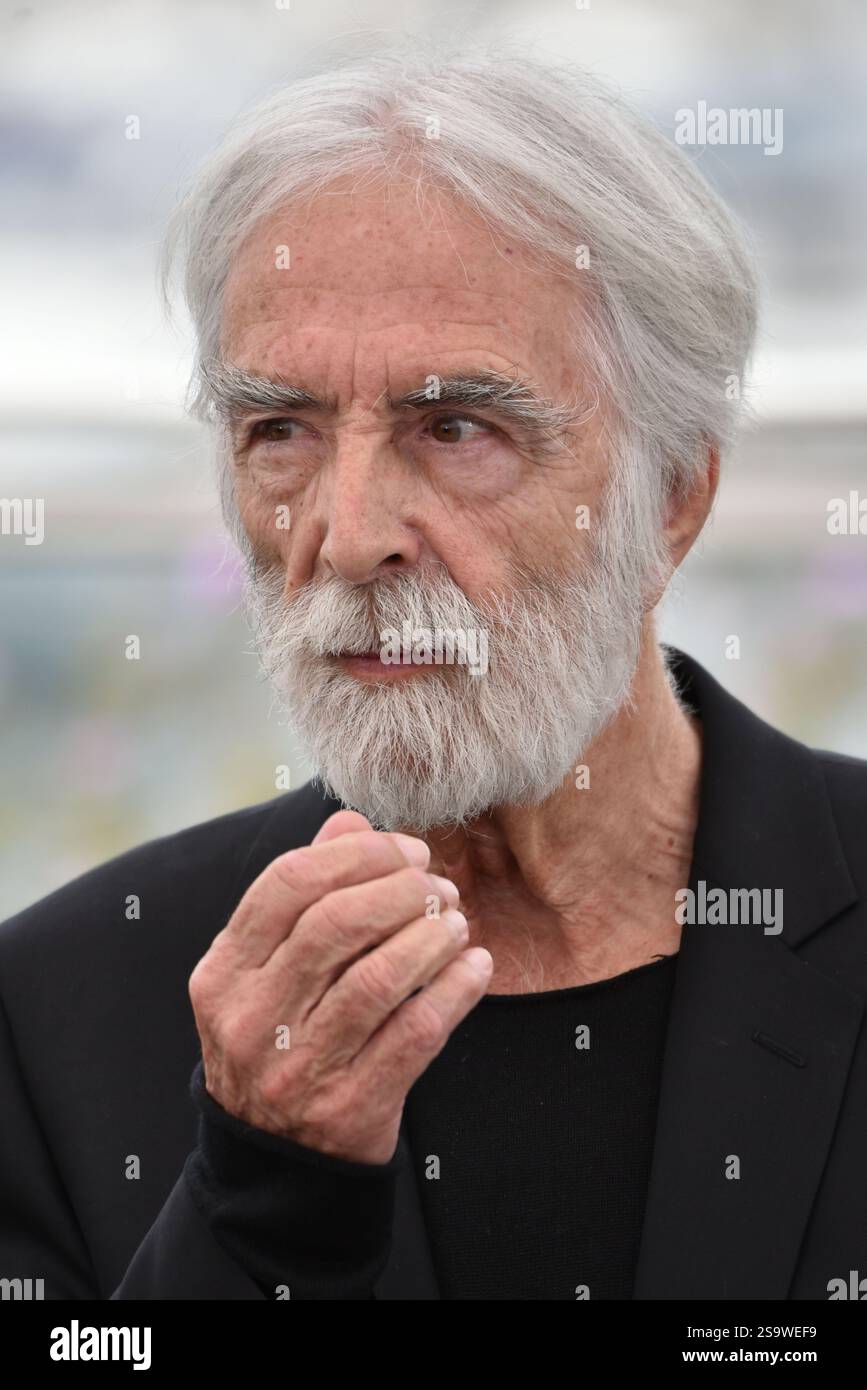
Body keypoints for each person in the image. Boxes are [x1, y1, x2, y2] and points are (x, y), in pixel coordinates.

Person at [1, 47, 865, 1302]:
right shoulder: (55, 1012)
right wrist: (260, 1207)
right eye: (280, 430)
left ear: (673, 499)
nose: (348, 536)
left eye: (455, 427)